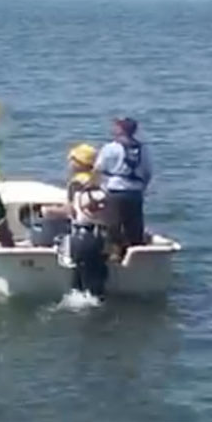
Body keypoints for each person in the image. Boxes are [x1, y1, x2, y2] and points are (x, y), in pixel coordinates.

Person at [93, 115, 152, 254]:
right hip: (135, 192)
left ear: (120, 130)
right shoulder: (143, 149)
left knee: (113, 226)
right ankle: (137, 255)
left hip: (115, 191)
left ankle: (115, 255)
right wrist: (143, 188)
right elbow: (148, 173)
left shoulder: (110, 148)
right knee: (135, 226)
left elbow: (98, 168)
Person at [61, 143, 113, 296]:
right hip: (100, 237)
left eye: (72, 159)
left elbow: (72, 210)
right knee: (96, 283)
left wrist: (47, 211)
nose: (69, 163)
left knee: (79, 285)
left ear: (79, 163)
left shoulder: (76, 183)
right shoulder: (98, 181)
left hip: (82, 237)